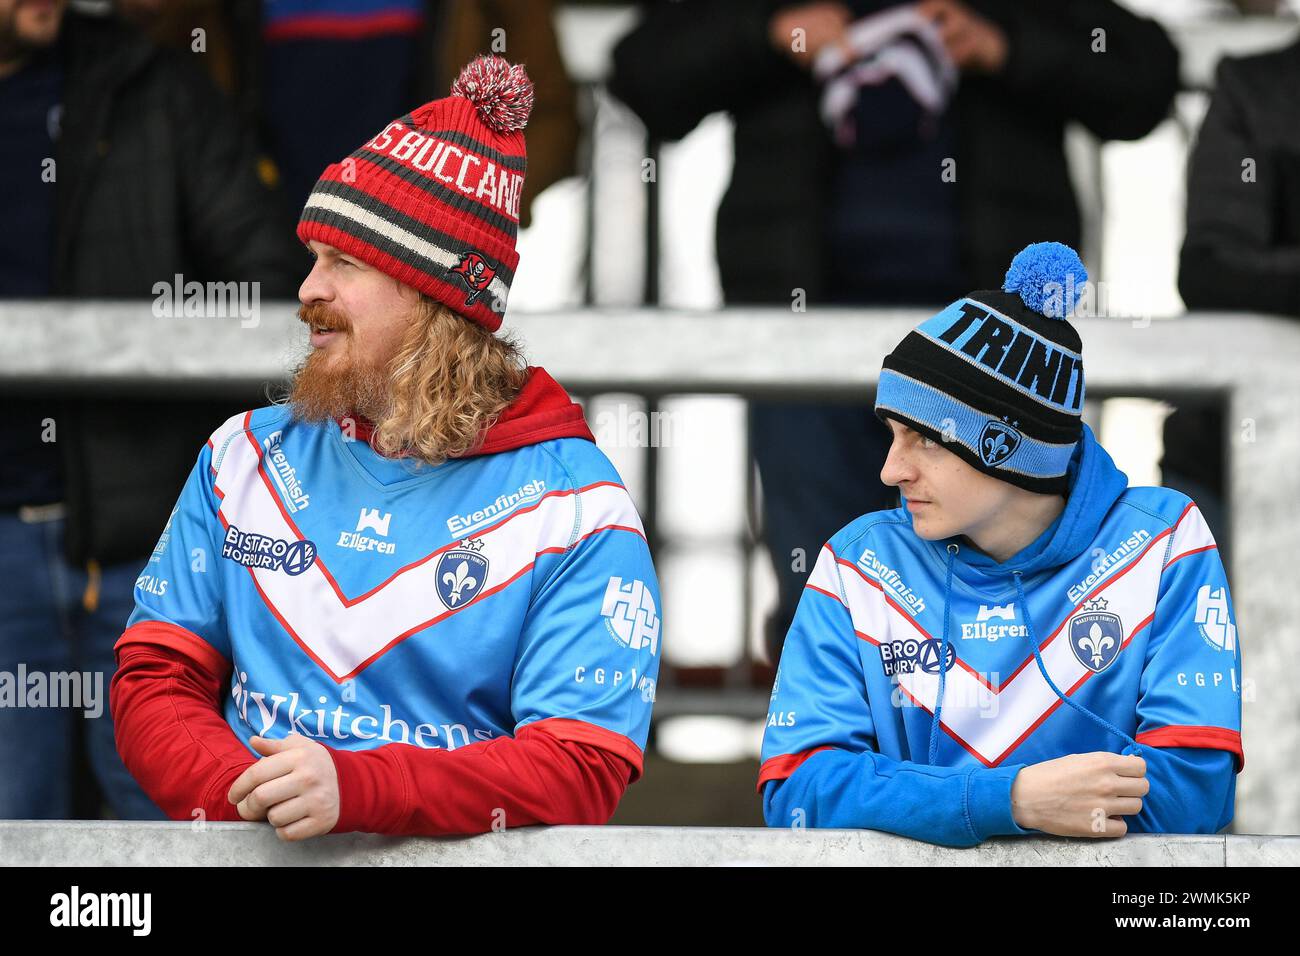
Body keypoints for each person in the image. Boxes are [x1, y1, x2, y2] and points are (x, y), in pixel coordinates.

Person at [109, 57, 662, 840]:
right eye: (311, 259)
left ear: (436, 299)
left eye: (344, 262)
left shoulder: (576, 507)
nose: (307, 291)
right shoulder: (244, 455)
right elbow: (155, 676)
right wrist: (256, 798)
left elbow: (578, 765)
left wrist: (358, 790)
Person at [610, 1, 1181, 662]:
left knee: (1010, 603)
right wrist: (770, 33)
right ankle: (833, 760)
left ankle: (999, 762)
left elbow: (1145, 81)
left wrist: (1004, 43)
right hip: (803, 345)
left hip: (989, 353)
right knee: (829, 596)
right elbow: (644, 76)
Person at [758, 243, 1242, 846]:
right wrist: (1011, 800)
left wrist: (931, 807)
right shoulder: (859, 562)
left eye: (922, 439)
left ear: (1002, 448)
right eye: (891, 435)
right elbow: (798, 794)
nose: (890, 470)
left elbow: (1195, 789)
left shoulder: (1163, 541)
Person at [0, 0, 299, 820]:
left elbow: (275, 294)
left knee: (181, 822)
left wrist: (220, 501)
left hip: (147, 541)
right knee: (11, 826)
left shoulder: (154, 87)